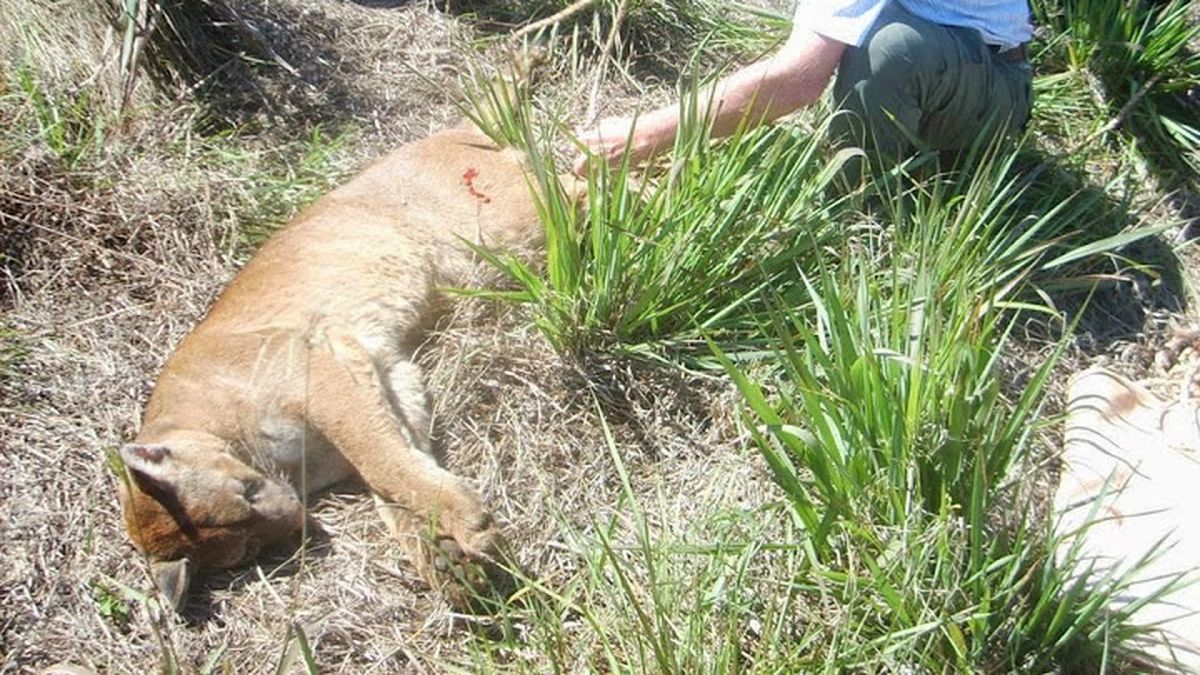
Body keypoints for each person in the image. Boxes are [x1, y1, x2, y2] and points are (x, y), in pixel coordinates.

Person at [574, 0, 1034, 175]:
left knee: (891, 50)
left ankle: (866, 205)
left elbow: (794, 82)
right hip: (967, 67)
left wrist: (647, 134)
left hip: (993, 93)